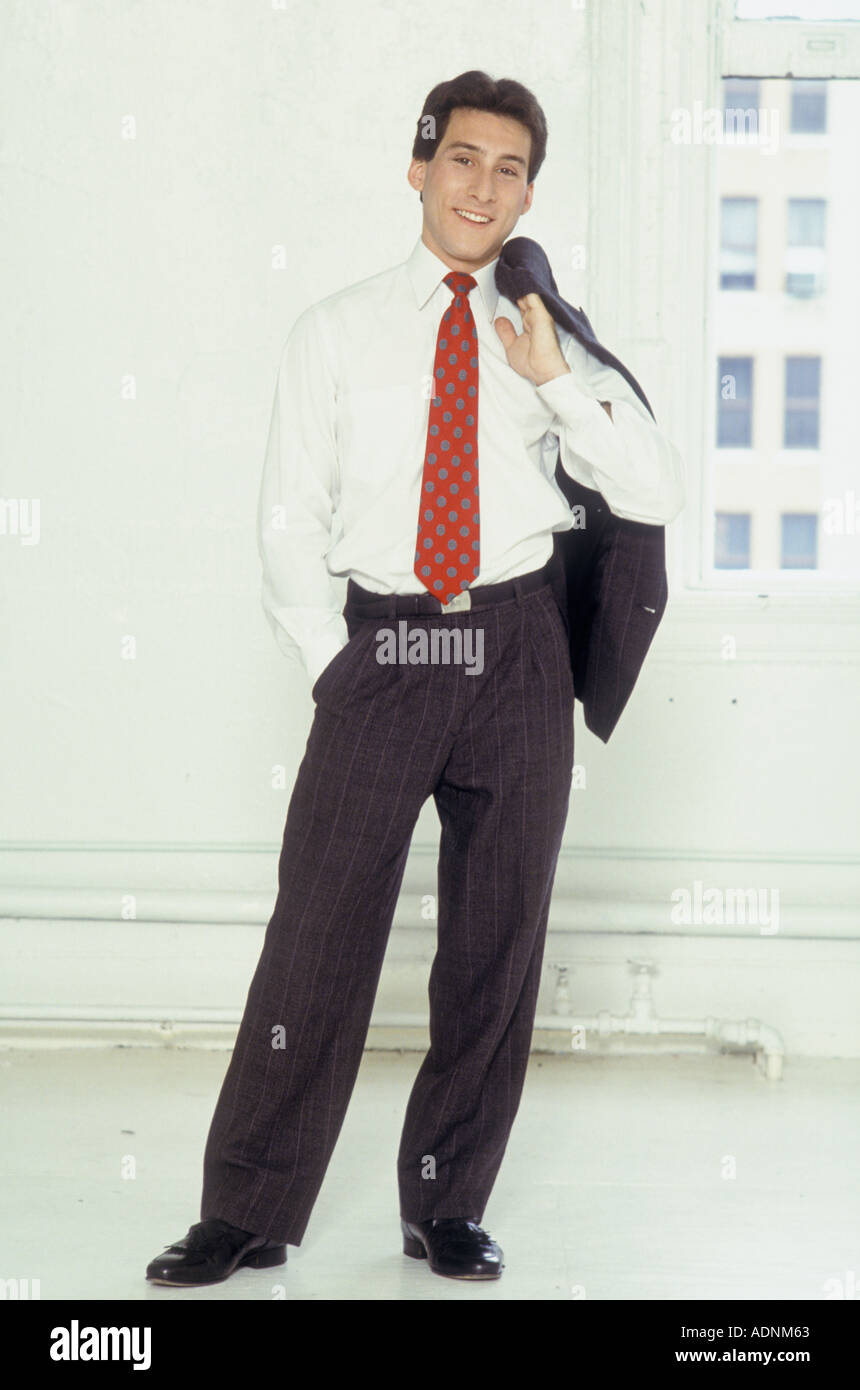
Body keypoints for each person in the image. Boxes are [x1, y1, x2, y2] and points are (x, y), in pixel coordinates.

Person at [146, 68, 684, 1288]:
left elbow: (649, 490)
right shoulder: (331, 331)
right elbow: (289, 516)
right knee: (315, 941)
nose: (481, 186)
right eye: (462, 160)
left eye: (509, 170)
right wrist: (336, 666)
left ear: (528, 190)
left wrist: (550, 371)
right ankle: (247, 1210)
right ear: (418, 166)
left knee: (494, 944)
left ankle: (444, 1206)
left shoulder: (545, 330)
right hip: (383, 650)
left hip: (514, 653)